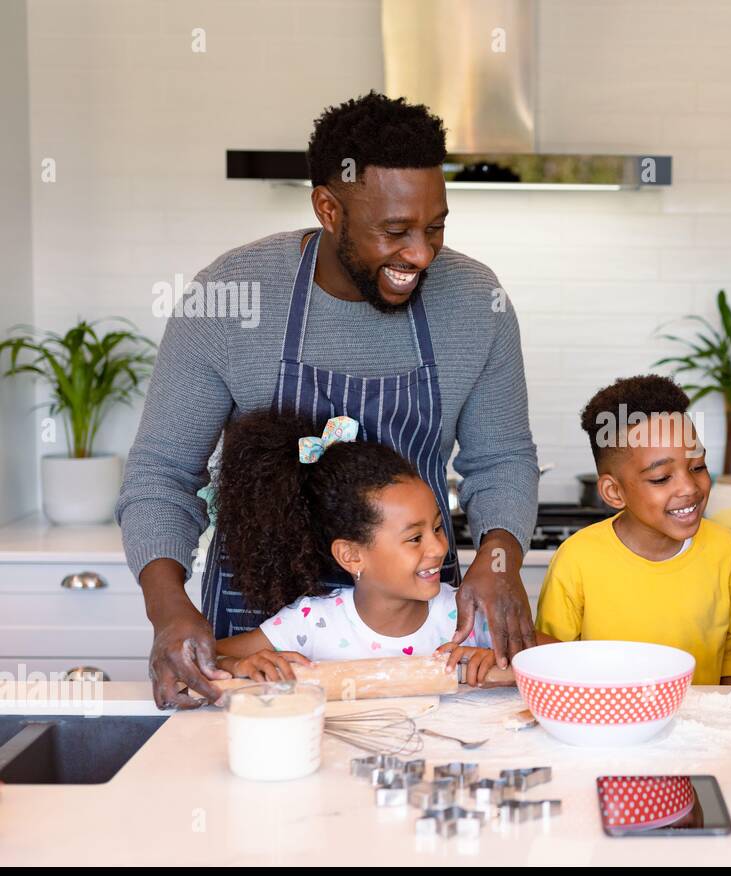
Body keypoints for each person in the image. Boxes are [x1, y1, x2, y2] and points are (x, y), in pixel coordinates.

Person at [115, 92, 539, 708]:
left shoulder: (477, 302)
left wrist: (499, 559)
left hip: (416, 636)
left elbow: (502, 459)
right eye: (394, 231)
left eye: (435, 227)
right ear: (329, 207)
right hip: (263, 642)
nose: (420, 254)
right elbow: (161, 476)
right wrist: (169, 611)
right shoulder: (232, 297)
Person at [208, 411, 508, 687]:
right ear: (351, 556)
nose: (438, 547)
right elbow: (204, 658)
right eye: (415, 538)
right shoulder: (311, 623)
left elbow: (550, 652)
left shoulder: (465, 615)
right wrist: (239, 665)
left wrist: (503, 663)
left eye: (438, 527)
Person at [535, 375, 731, 685]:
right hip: (609, 726)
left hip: (701, 728)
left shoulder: (724, 547)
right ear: (614, 492)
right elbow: (550, 663)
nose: (689, 488)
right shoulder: (577, 559)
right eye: (662, 478)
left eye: (697, 466)